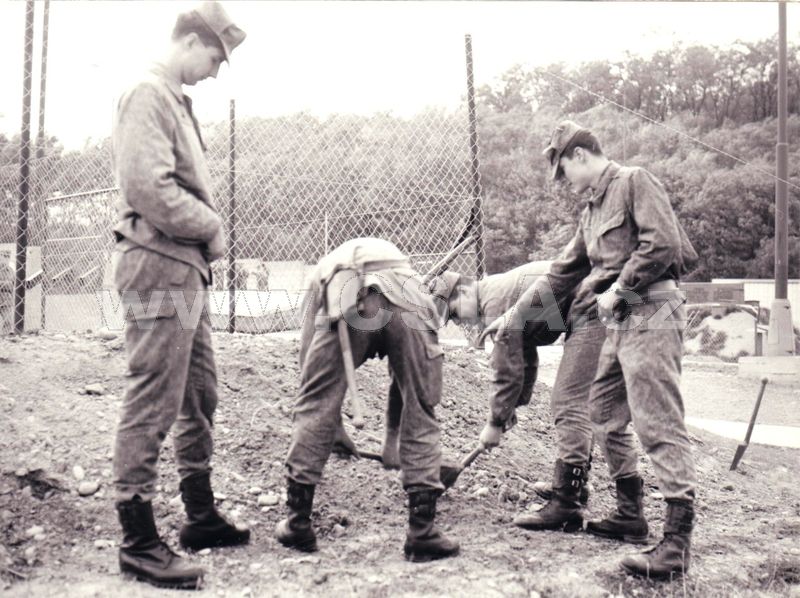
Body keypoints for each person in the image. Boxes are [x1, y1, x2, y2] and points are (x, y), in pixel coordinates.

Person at [483, 120, 698, 580]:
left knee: (657, 418)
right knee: (602, 410)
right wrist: (513, 316)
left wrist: (620, 286)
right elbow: (561, 272)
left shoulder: (634, 181)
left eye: (564, 170)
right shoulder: (591, 211)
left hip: (651, 306)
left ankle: (676, 544)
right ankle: (630, 512)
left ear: (580, 155)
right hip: (620, 318)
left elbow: (663, 244)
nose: (565, 182)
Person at [110, 2, 247, 590]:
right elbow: (149, 186)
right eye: (215, 57)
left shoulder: (174, 100)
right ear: (191, 41)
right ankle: (138, 541)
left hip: (183, 271)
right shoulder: (147, 94)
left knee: (199, 392)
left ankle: (198, 515)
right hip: (157, 267)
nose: (216, 71)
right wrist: (212, 228)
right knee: (154, 397)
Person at [275, 237, 460, 563]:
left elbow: (309, 369)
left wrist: (329, 421)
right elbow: (408, 386)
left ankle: (297, 523)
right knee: (422, 405)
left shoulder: (324, 270)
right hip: (406, 299)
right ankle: (422, 532)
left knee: (315, 403)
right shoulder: (400, 267)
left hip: (349, 302)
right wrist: (390, 437)